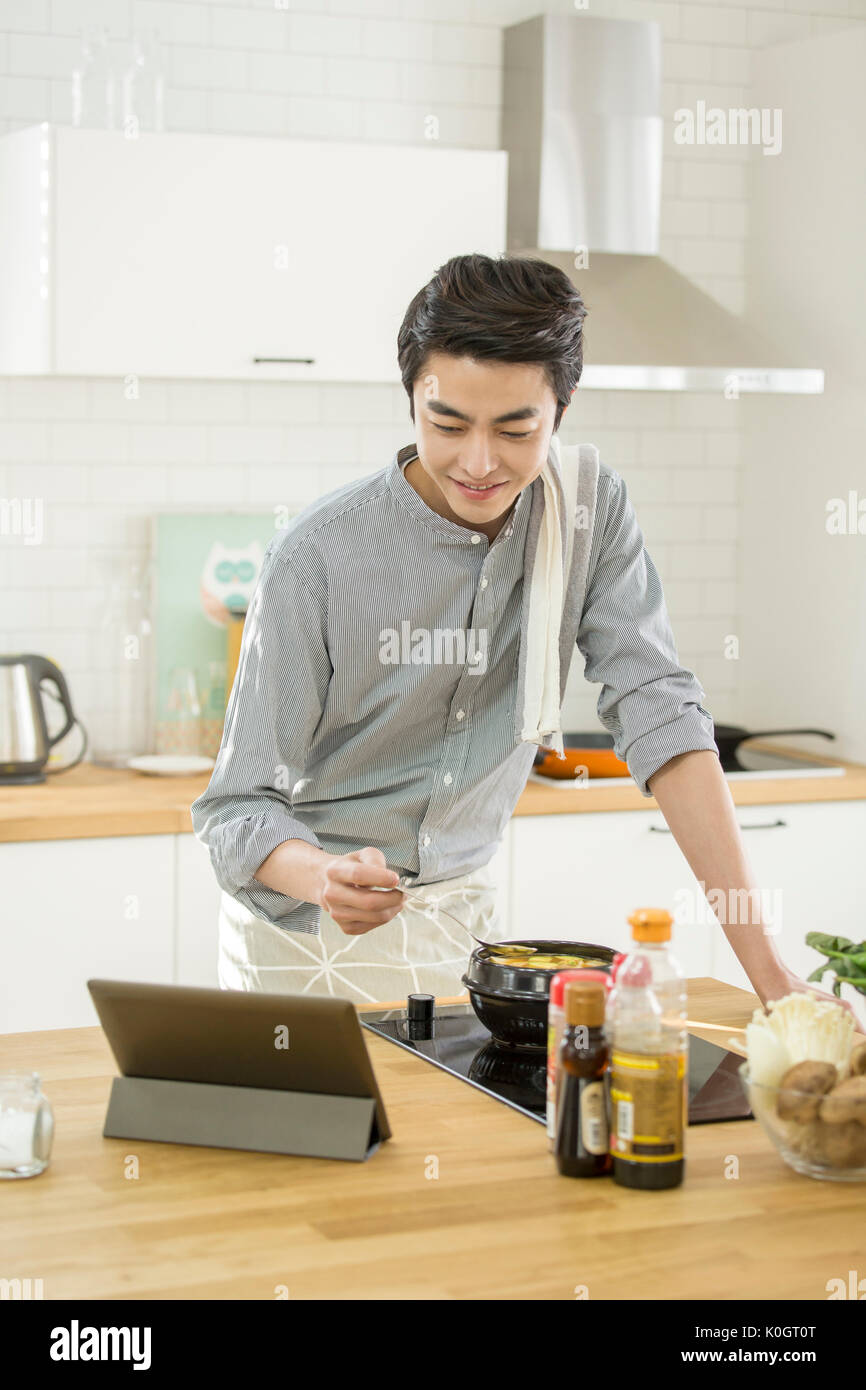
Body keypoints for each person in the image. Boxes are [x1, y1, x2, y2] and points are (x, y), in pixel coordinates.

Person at [191, 253, 847, 1014]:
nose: (478, 462)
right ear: (412, 401)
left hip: (460, 935)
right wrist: (319, 875)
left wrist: (769, 974)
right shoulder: (318, 556)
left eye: (514, 429)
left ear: (560, 414)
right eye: (448, 424)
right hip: (302, 940)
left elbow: (660, 711)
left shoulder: (586, 513)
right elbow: (234, 810)